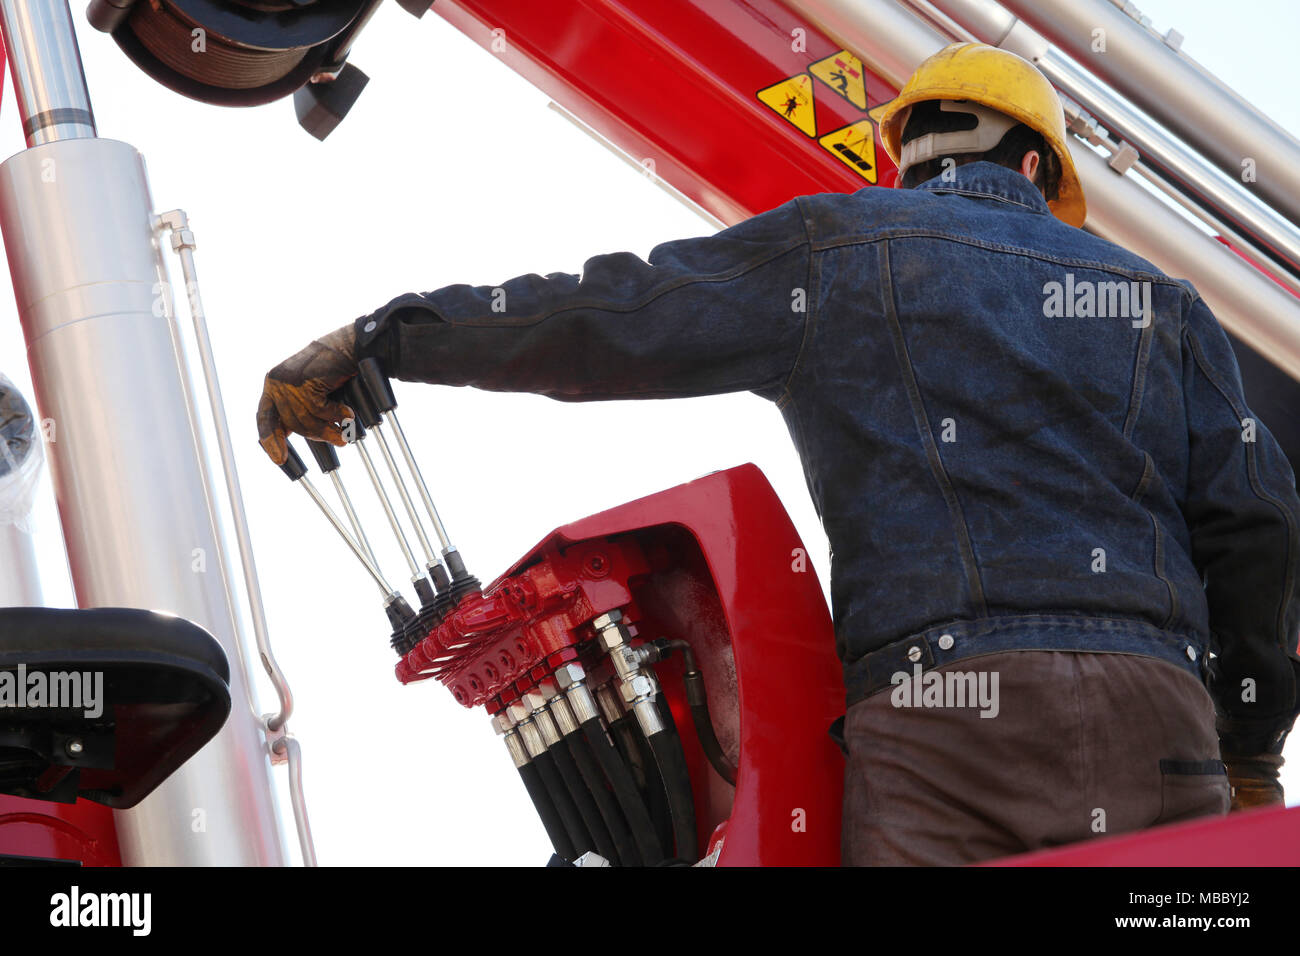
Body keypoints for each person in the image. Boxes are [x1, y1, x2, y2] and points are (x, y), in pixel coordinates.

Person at [257, 43, 1300, 865]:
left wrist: (390, 337)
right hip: (1154, 710)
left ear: (910, 156)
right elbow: (1257, 523)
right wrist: (1248, 743)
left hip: (942, 716)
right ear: (1034, 165)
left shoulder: (835, 249)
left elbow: (612, 312)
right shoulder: (1164, 307)